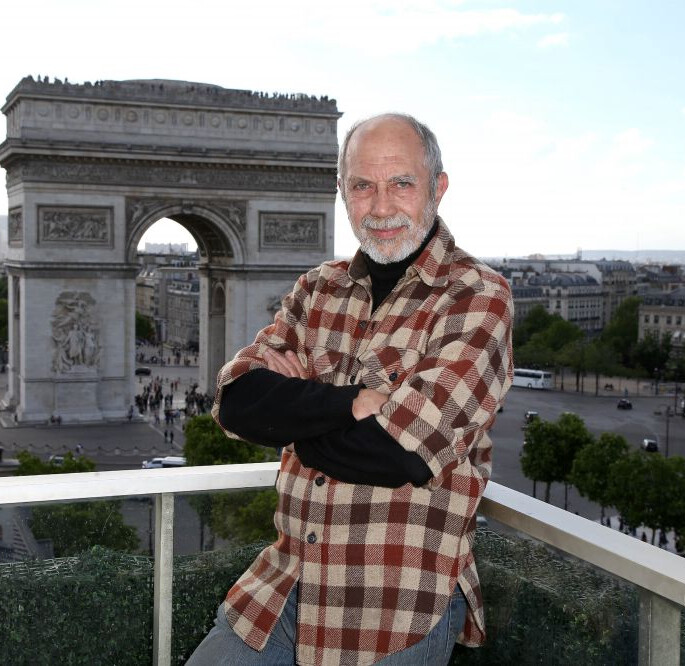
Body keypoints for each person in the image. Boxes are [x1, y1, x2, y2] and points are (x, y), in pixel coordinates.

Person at [187, 113, 513, 666]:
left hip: (393, 611)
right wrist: (349, 405)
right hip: (281, 590)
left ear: (439, 187)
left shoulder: (479, 297)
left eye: (401, 183)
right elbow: (236, 402)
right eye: (362, 185)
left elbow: (397, 452)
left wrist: (295, 420)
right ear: (342, 193)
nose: (381, 207)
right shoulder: (317, 288)